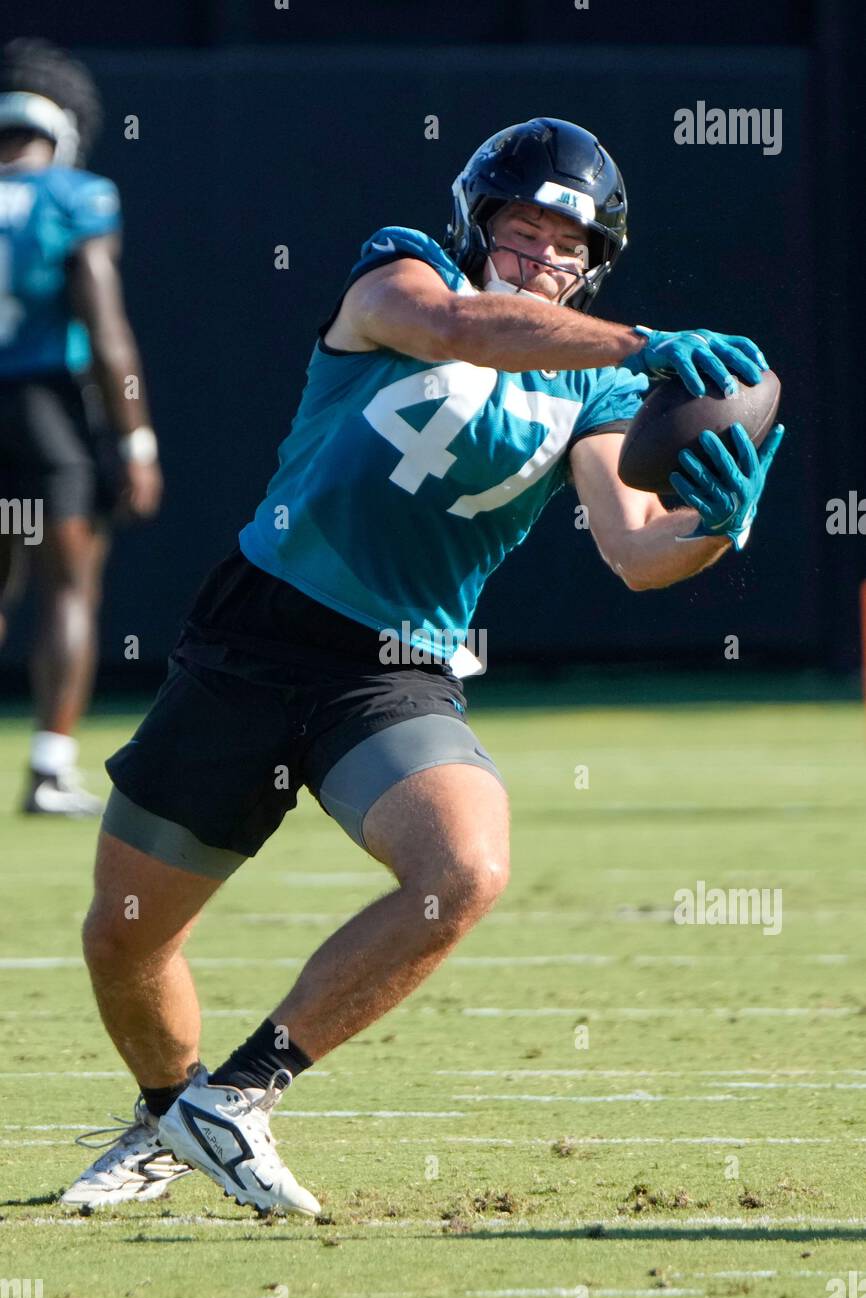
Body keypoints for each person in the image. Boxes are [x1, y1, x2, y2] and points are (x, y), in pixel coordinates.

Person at [62, 116, 783, 1212]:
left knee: (464, 870)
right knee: (125, 938)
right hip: (255, 636)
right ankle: (167, 1112)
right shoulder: (402, 269)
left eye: (567, 244)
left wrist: (716, 525)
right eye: (523, 228)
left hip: (393, 671)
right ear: (475, 221)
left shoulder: (594, 390)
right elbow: (453, 322)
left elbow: (634, 552)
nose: (542, 256)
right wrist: (641, 340)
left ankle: (238, 1095)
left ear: (594, 264)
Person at [0, 39, 162, 816]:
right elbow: (105, 328)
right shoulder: (75, 196)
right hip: (43, 411)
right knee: (67, 587)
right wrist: (135, 437)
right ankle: (48, 768)